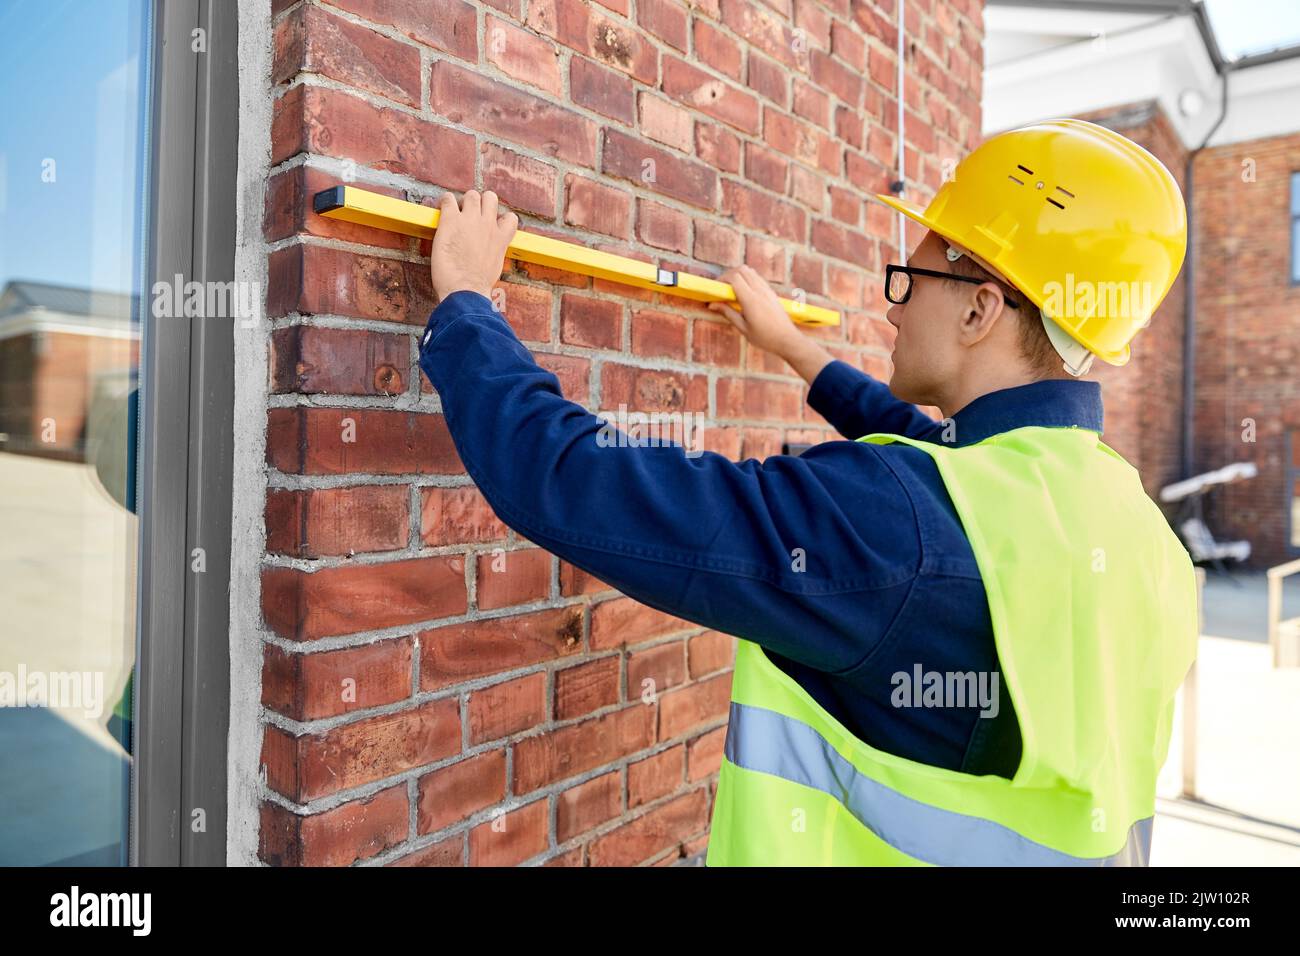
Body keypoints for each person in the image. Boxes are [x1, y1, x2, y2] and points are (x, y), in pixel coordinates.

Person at [416, 118, 1198, 866]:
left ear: (978, 307)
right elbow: (932, 450)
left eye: (910, 278)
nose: (893, 304)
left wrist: (466, 307)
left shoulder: (891, 522)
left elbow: (577, 483)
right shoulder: (1133, 528)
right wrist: (794, 347)